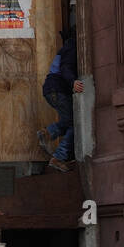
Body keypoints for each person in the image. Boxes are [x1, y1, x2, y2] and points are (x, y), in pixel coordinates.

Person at [38, 29, 82, 172]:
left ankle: (50, 137)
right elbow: (66, 68)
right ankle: (57, 151)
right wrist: (73, 82)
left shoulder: (66, 47)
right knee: (75, 123)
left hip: (53, 90)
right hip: (58, 90)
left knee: (70, 122)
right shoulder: (72, 47)